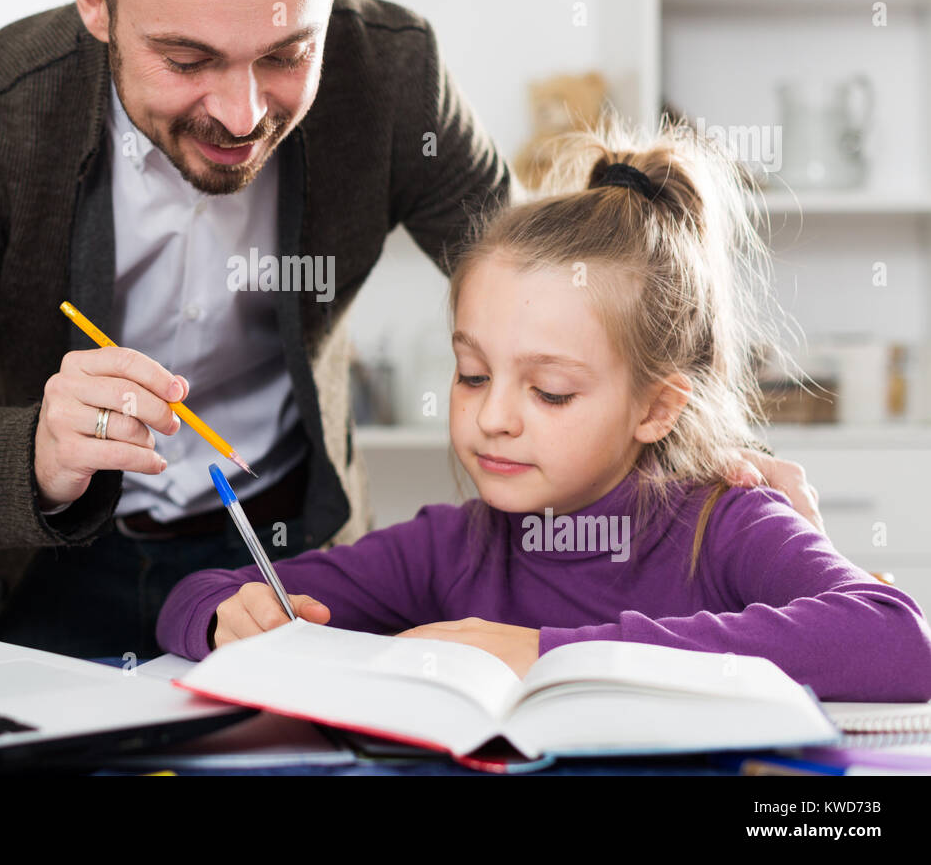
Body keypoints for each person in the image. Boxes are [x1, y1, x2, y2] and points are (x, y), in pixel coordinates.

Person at [0, 0, 821, 661]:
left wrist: (695, 456)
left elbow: (562, 305)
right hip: (35, 577)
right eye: (188, 60)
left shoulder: (390, 75)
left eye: (287, 52)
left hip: (286, 561)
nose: (242, 116)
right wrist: (34, 450)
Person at [155, 120, 931, 702]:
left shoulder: (728, 522)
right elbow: (198, 597)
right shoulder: (451, 546)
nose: (493, 417)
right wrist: (229, 617)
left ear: (656, 408)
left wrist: (548, 652)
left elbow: (898, 643)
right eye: (470, 374)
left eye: (549, 391)